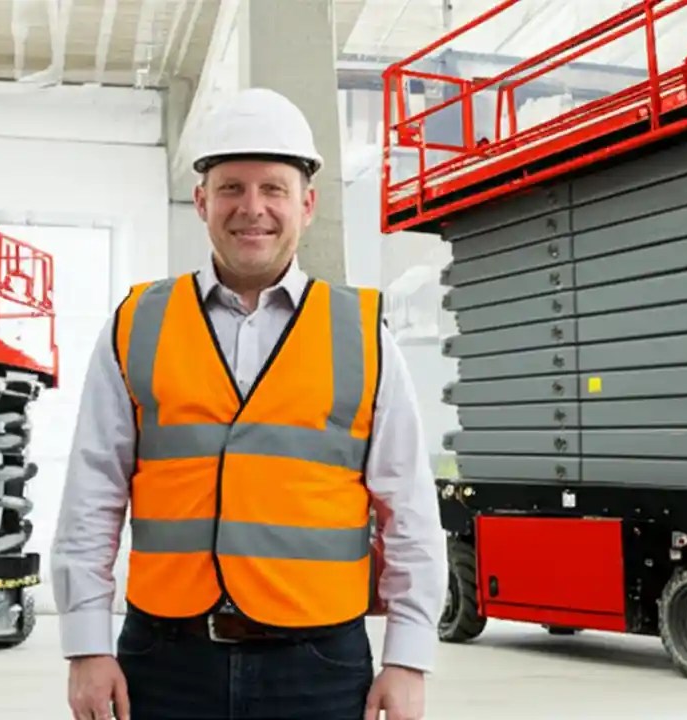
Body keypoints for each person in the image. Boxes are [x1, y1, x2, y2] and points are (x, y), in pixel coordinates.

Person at [50, 87, 447, 720]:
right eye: (231, 188)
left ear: (307, 204)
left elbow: (410, 512)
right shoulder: (137, 323)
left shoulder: (364, 336)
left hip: (318, 666)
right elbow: (91, 494)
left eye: (273, 189)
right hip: (164, 660)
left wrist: (408, 659)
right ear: (201, 201)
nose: (252, 208)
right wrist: (86, 645)